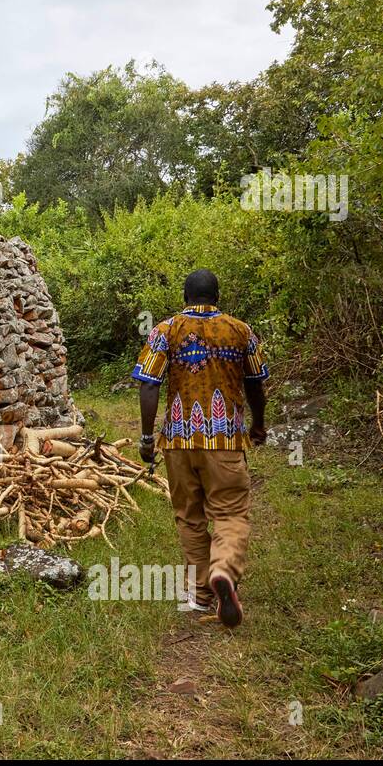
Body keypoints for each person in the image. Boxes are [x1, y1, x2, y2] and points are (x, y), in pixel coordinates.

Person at [131, 269, 268, 628]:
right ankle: (222, 570)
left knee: (189, 516)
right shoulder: (240, 331)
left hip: (178, 442)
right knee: (230, 512)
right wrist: (258, 423)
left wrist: (147, 439)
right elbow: (255, 383)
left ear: (185, 295)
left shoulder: (165, 330)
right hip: (223, 441)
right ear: (217, 295)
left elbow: (148, 384)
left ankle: (200, 593)